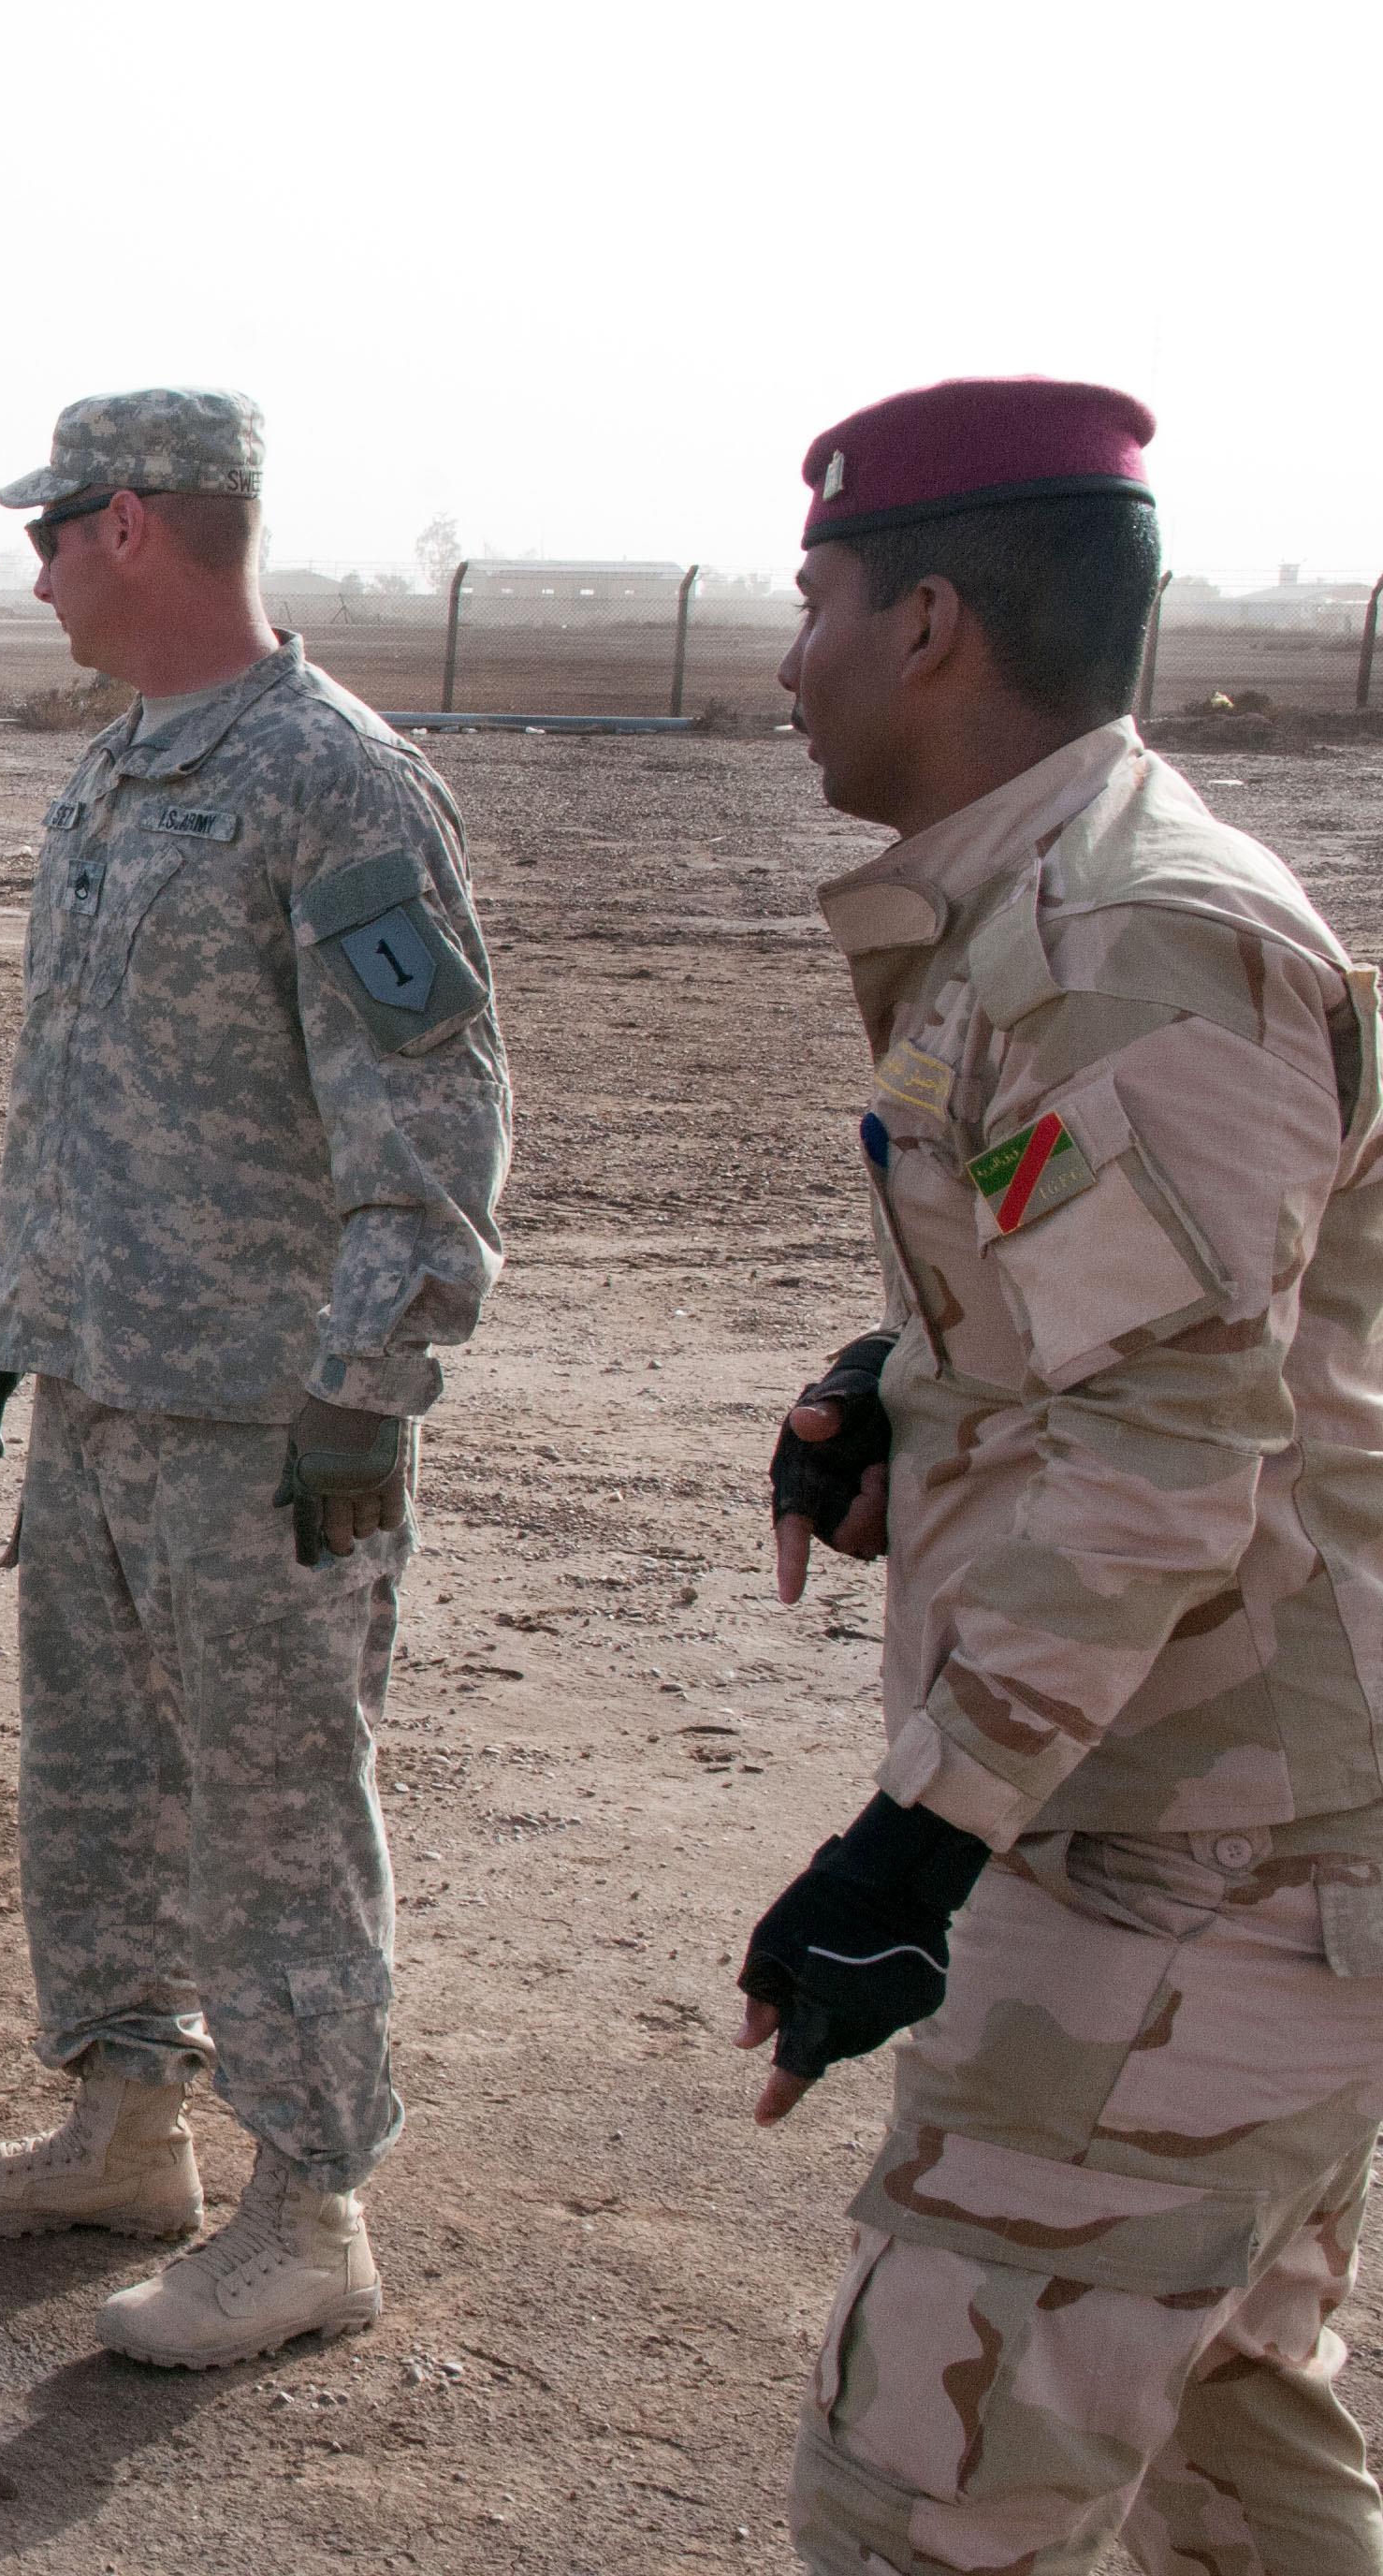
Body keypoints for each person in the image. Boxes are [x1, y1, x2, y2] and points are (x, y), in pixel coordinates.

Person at [744, 378, 1383, 2576]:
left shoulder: (1129, 936)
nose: (784, 653)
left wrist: (906, 1849)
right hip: (1203, 1835)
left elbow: (1162, 1445)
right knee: (1231, 2450)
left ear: (927, 624)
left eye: (810, 598)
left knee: (916, 2502)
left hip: (1183, 1876)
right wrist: (899, 1397)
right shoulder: (1048, 905)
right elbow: (1166, 1327)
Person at [0, 388, 511, 2370]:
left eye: (60, 524)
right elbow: (85, 1080)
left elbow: (428, 1102)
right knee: (98, 1783)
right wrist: (12, 1312)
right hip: (103, 1387)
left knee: (273, 1810)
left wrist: (370, 1388)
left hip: (262, 1420)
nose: (42, 559)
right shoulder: (116, 777)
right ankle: (127, 2122)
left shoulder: (335, 783)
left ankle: (310, 2203)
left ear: (141, 524)